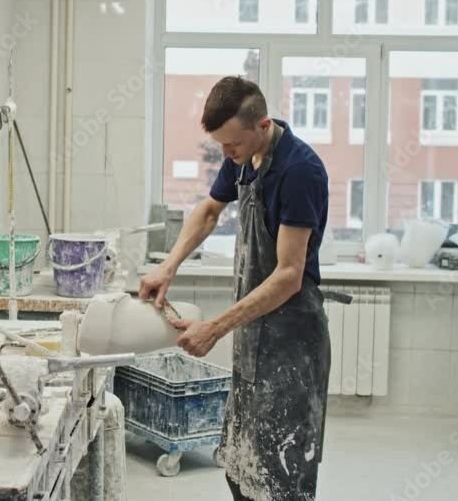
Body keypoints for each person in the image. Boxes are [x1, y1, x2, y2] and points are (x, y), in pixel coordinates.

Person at [140, 76, 330, 501]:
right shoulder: (246, 155)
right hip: (254, 339)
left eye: (233, 146)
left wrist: (214, 328)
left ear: (262, 125)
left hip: (292, 345)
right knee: (241, 468)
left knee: (280, 478)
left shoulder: (300, 171)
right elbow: (209, 212)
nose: (227, 156)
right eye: (222, 147)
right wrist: (167, 267)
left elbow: (287, 275)